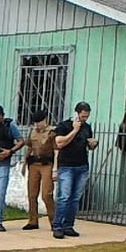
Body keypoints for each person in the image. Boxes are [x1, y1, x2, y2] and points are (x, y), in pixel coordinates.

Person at [52, 102, 98, 239]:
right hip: (66, 165)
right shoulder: (64, 126)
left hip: (82, 165)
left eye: (87, 116)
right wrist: (74, 131)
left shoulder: (87, 128)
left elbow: (89, 146)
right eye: (83, 116)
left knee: (75, 198)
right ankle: (57, 226)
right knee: (64, 197)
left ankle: (68, 225)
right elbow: (60, 143)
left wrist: (92, 144)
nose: (84, 119)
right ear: (77, 113)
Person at [22, 109, 57, 230]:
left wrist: (55, 169)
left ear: (45, 120)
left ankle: (54, 221)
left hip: (47, 164)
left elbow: (56, 150)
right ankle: (33, 220)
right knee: (32, 194)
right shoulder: (32, 132)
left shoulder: (52, 132)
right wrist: (24, 163)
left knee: (46, 194)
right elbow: (29, 148)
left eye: (39, 122)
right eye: (35, 122)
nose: (37, 125)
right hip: (33, 164)